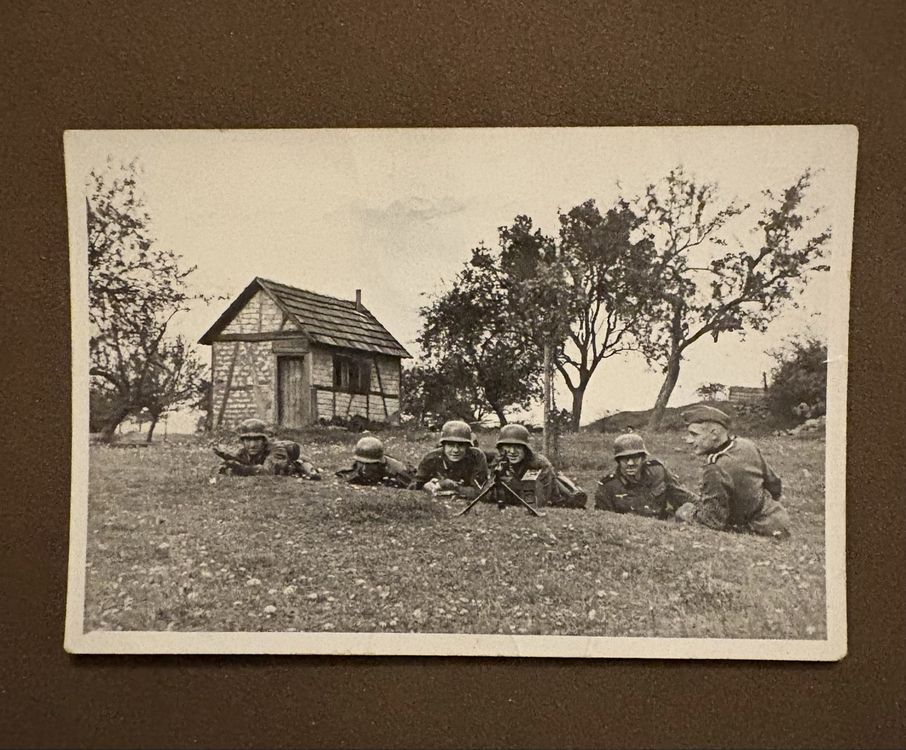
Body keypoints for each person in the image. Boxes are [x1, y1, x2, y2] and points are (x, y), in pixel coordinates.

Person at [675, 405, 791, 538]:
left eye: (694, 434)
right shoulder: (745, 445)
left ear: (714, 434)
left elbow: (712, 522)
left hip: (757, 531)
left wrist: (687, 513)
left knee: (684, 510)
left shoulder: (715, 468)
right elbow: (774, 484)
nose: (689, 441)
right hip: (778, 520)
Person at [595, 432, 694, 519]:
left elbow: (682, 496)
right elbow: (604, 520)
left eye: (635, 458)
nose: (630, 463)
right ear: (618, 461)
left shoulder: (658, 471)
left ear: (643, 458)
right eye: (625, 459)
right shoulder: (608, 486)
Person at [214, 418, 321, 479]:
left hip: (292, 464)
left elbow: (268, 472)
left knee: (301, 464)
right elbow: (222, 469)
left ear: (264, 440)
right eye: (248, 440)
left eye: (256, 440)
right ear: (242, 441)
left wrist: (240, 469)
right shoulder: (242, 451)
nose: (252, 445)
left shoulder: (277, 449)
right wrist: (228, 463)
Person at [412, 420, 489, 499]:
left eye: (461, 445)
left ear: (467, 446)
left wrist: (452, 486)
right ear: (443, 445)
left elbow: (480, 492)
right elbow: (415, 485)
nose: (455, 450)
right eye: (450, 445)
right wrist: (426, 486)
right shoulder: (432, 458)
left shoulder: (476, 457)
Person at [492, 423, 560, 507]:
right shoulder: (500, 462)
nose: (512, 451)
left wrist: (512, 484)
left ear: (526, 449)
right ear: (501, 448)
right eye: (508, 446)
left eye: (518, 447)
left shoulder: (539, 464)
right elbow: (491, 492)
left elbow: (540, 498)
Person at [334, 435, 414, 488]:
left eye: (369, 464)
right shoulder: (356, 467)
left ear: (379, 462)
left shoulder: (397, 472)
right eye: (362, 463)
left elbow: (413, 484)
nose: (364, 468)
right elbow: (345, 473)